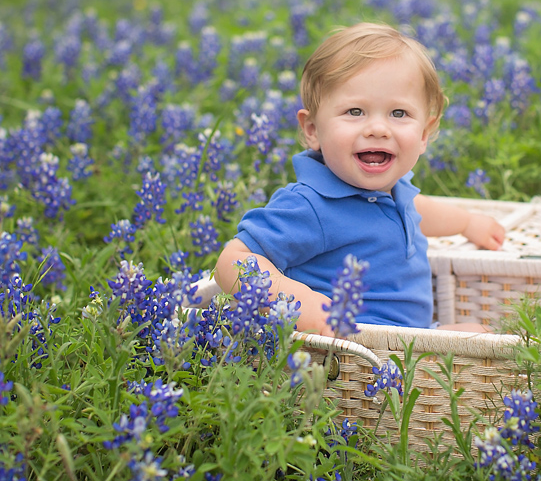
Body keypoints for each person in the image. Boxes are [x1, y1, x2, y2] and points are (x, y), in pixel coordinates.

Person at [214, 22, 505, 337]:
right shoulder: (310, 205)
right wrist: (301, 305)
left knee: (481, 334)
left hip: (411, 337)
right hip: (347, 350)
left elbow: (420, 210)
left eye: (398, 114)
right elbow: (232, 260)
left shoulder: (395, 191)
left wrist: (466, 223)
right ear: (312, 130)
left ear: (423, 135)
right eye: (355, 111)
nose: (377, 128)